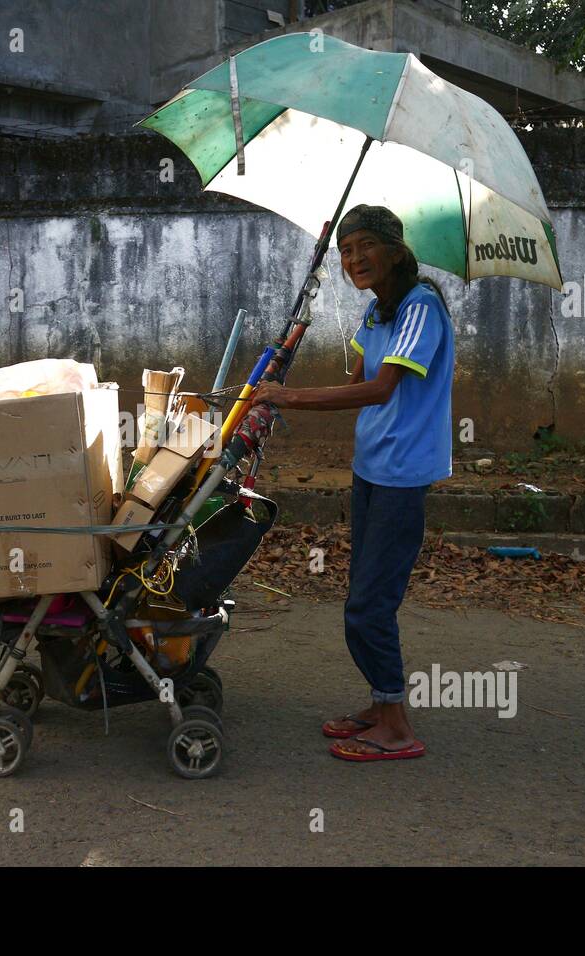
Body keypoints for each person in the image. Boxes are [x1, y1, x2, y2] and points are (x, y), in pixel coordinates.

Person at [250, 204, 454, 762]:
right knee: (361, 599)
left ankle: (396, 728)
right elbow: (352, 383)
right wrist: (284, 363)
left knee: (369, 605)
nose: (354, 258)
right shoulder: (377, 313)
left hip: (402, 475)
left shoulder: (421, 307)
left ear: (394, 248)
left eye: (365, 245)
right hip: (371, 468)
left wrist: (287, 398)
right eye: (345, 250)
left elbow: (381, 389)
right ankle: (380, 705)